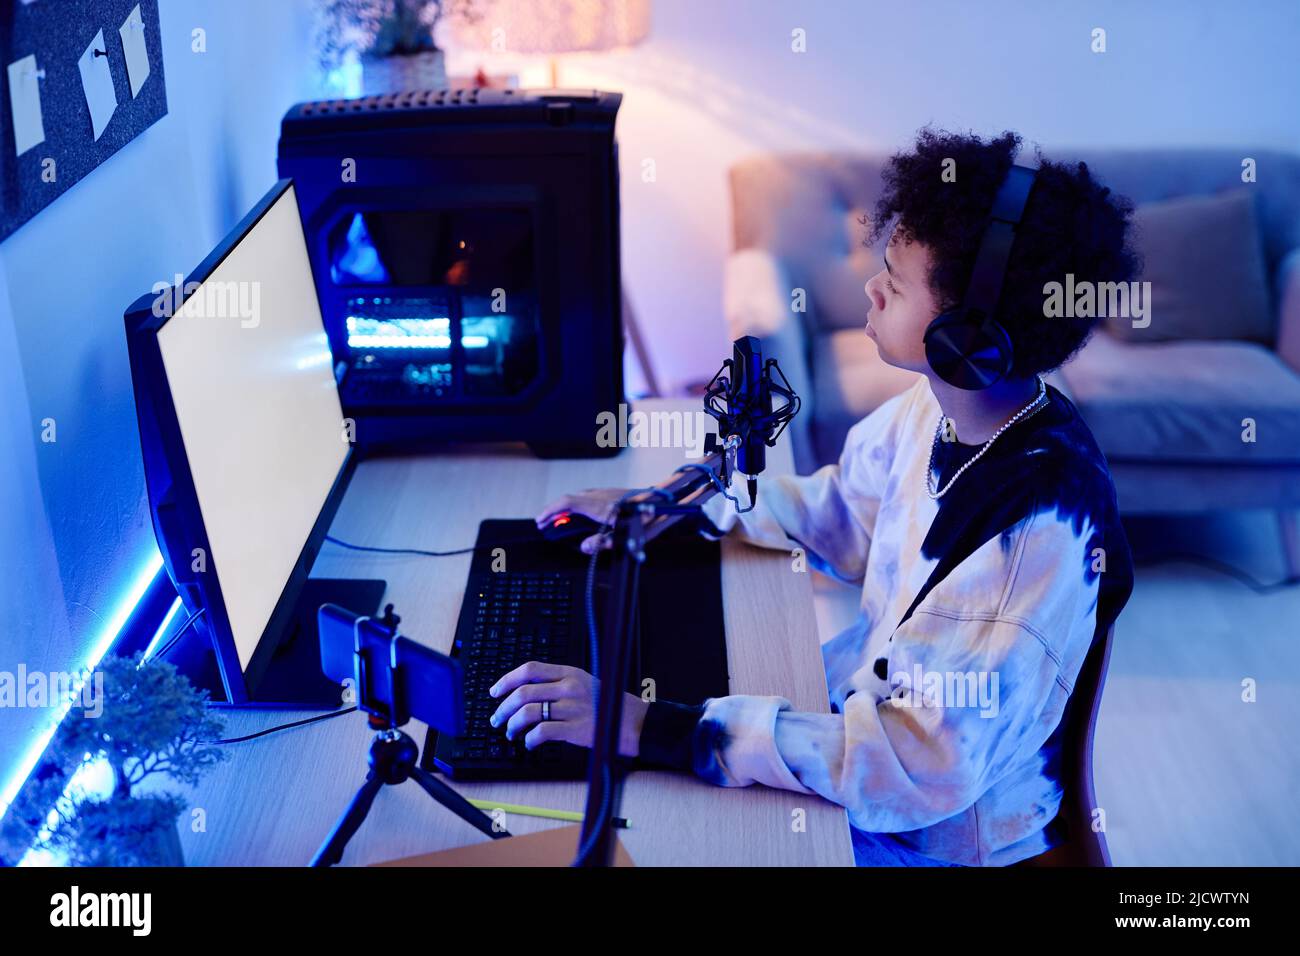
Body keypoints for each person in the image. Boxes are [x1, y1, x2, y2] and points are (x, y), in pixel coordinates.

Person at [488, 128, 1139, 866]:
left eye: (893, 282)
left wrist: (652, 727)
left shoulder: (1034, 530)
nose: (870, 288)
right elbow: (844, 515)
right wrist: (676, 508)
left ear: (970, 339)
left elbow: (918, 769)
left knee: (656, 839)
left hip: (928, 835)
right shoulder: (942, 407)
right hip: (864, 735)